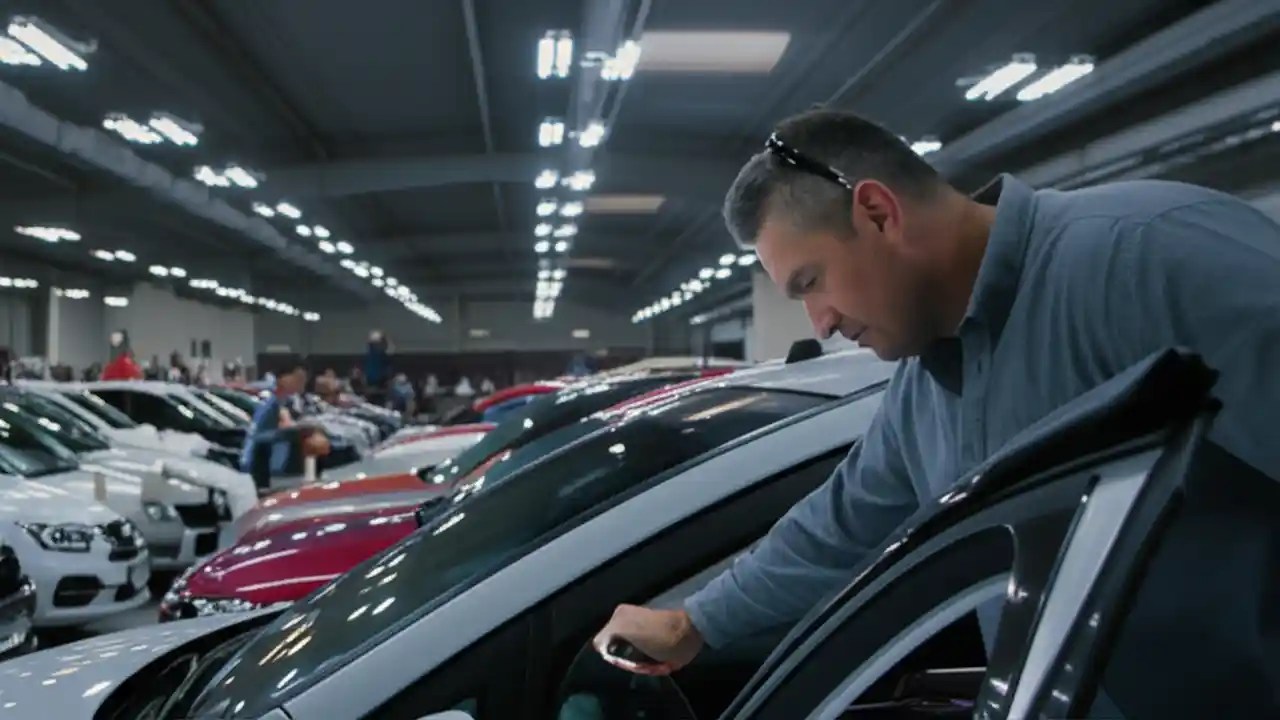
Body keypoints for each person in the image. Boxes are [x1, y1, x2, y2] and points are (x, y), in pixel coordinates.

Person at [592, 110, 1280, 717]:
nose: (821, 321)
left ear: (879, 213)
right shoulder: (928, 386)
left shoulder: (1145, 256)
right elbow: (837, 528)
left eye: (811, 282)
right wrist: (694, 622)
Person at [239, 360, 311, 490]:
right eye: (298, 378)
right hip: (265, 463)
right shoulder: (271, 399)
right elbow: (257, 431)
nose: (301, 383)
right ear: (283, 378)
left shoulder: (285, 399)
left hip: (273, 461)